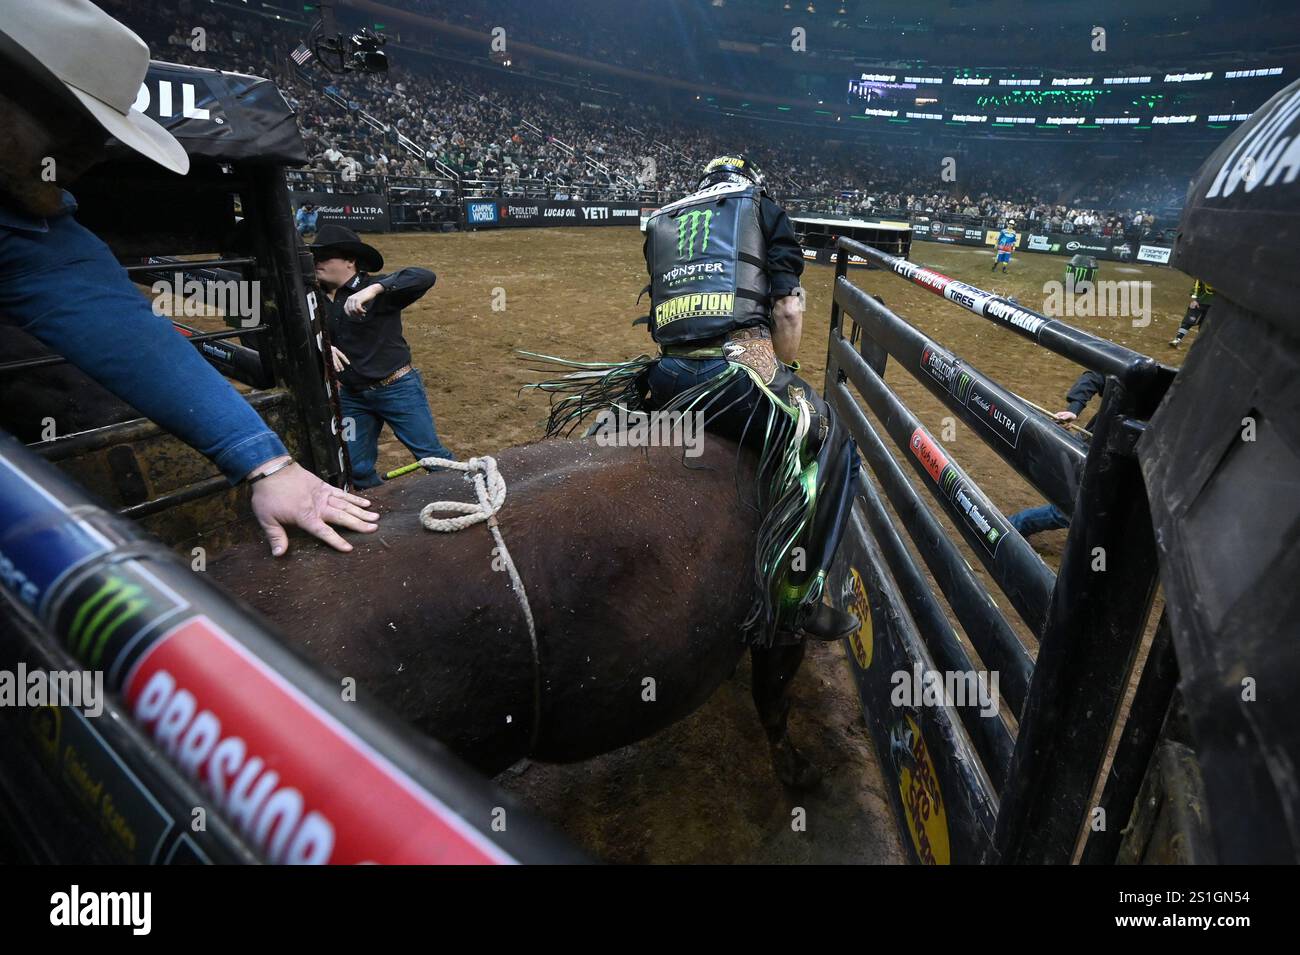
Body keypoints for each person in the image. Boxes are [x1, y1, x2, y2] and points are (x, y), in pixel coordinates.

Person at [0, 0, 377, 557]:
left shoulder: (30, 229)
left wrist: (262, 458)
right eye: (72, 127)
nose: (86, 157)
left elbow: (116, 323)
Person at [541, 155, 860, 645]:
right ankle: (798, 598)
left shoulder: (663, 220)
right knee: (834, 443)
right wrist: (786, 371)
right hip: (736, 380)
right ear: (747, 184)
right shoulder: (763, 208)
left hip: (667, 379)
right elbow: (789, 309)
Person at [310, 224, 455, 488]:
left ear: (350, 261)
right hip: (353, 397)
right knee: (355, 467)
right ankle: (379, 514)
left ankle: (468, 498)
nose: (317, 263)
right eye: (315, 257)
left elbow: (424, 276)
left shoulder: (376, 289)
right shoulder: (314, 298)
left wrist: (374, 289)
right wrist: (320, 346)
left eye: (325, 256)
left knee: (433, 458)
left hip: (397, 389)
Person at [1007, 369, 1104, 538]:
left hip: (1104, 455)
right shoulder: (1153, 386)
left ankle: (1013, 525)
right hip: (1095, 453)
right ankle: (1012, 526)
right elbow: (1097, 376)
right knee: (1076, 510)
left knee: (1081, 510)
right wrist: (1074, 409)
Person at [1170, 278, 1214, 348]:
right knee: (1188, 321)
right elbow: (1196, 287)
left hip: (1214, 306)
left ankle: (1201, 344)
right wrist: (1195, 300)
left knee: (1205, 325)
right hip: (1200, 302)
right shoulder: (1203, 275)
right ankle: (1177, 339)